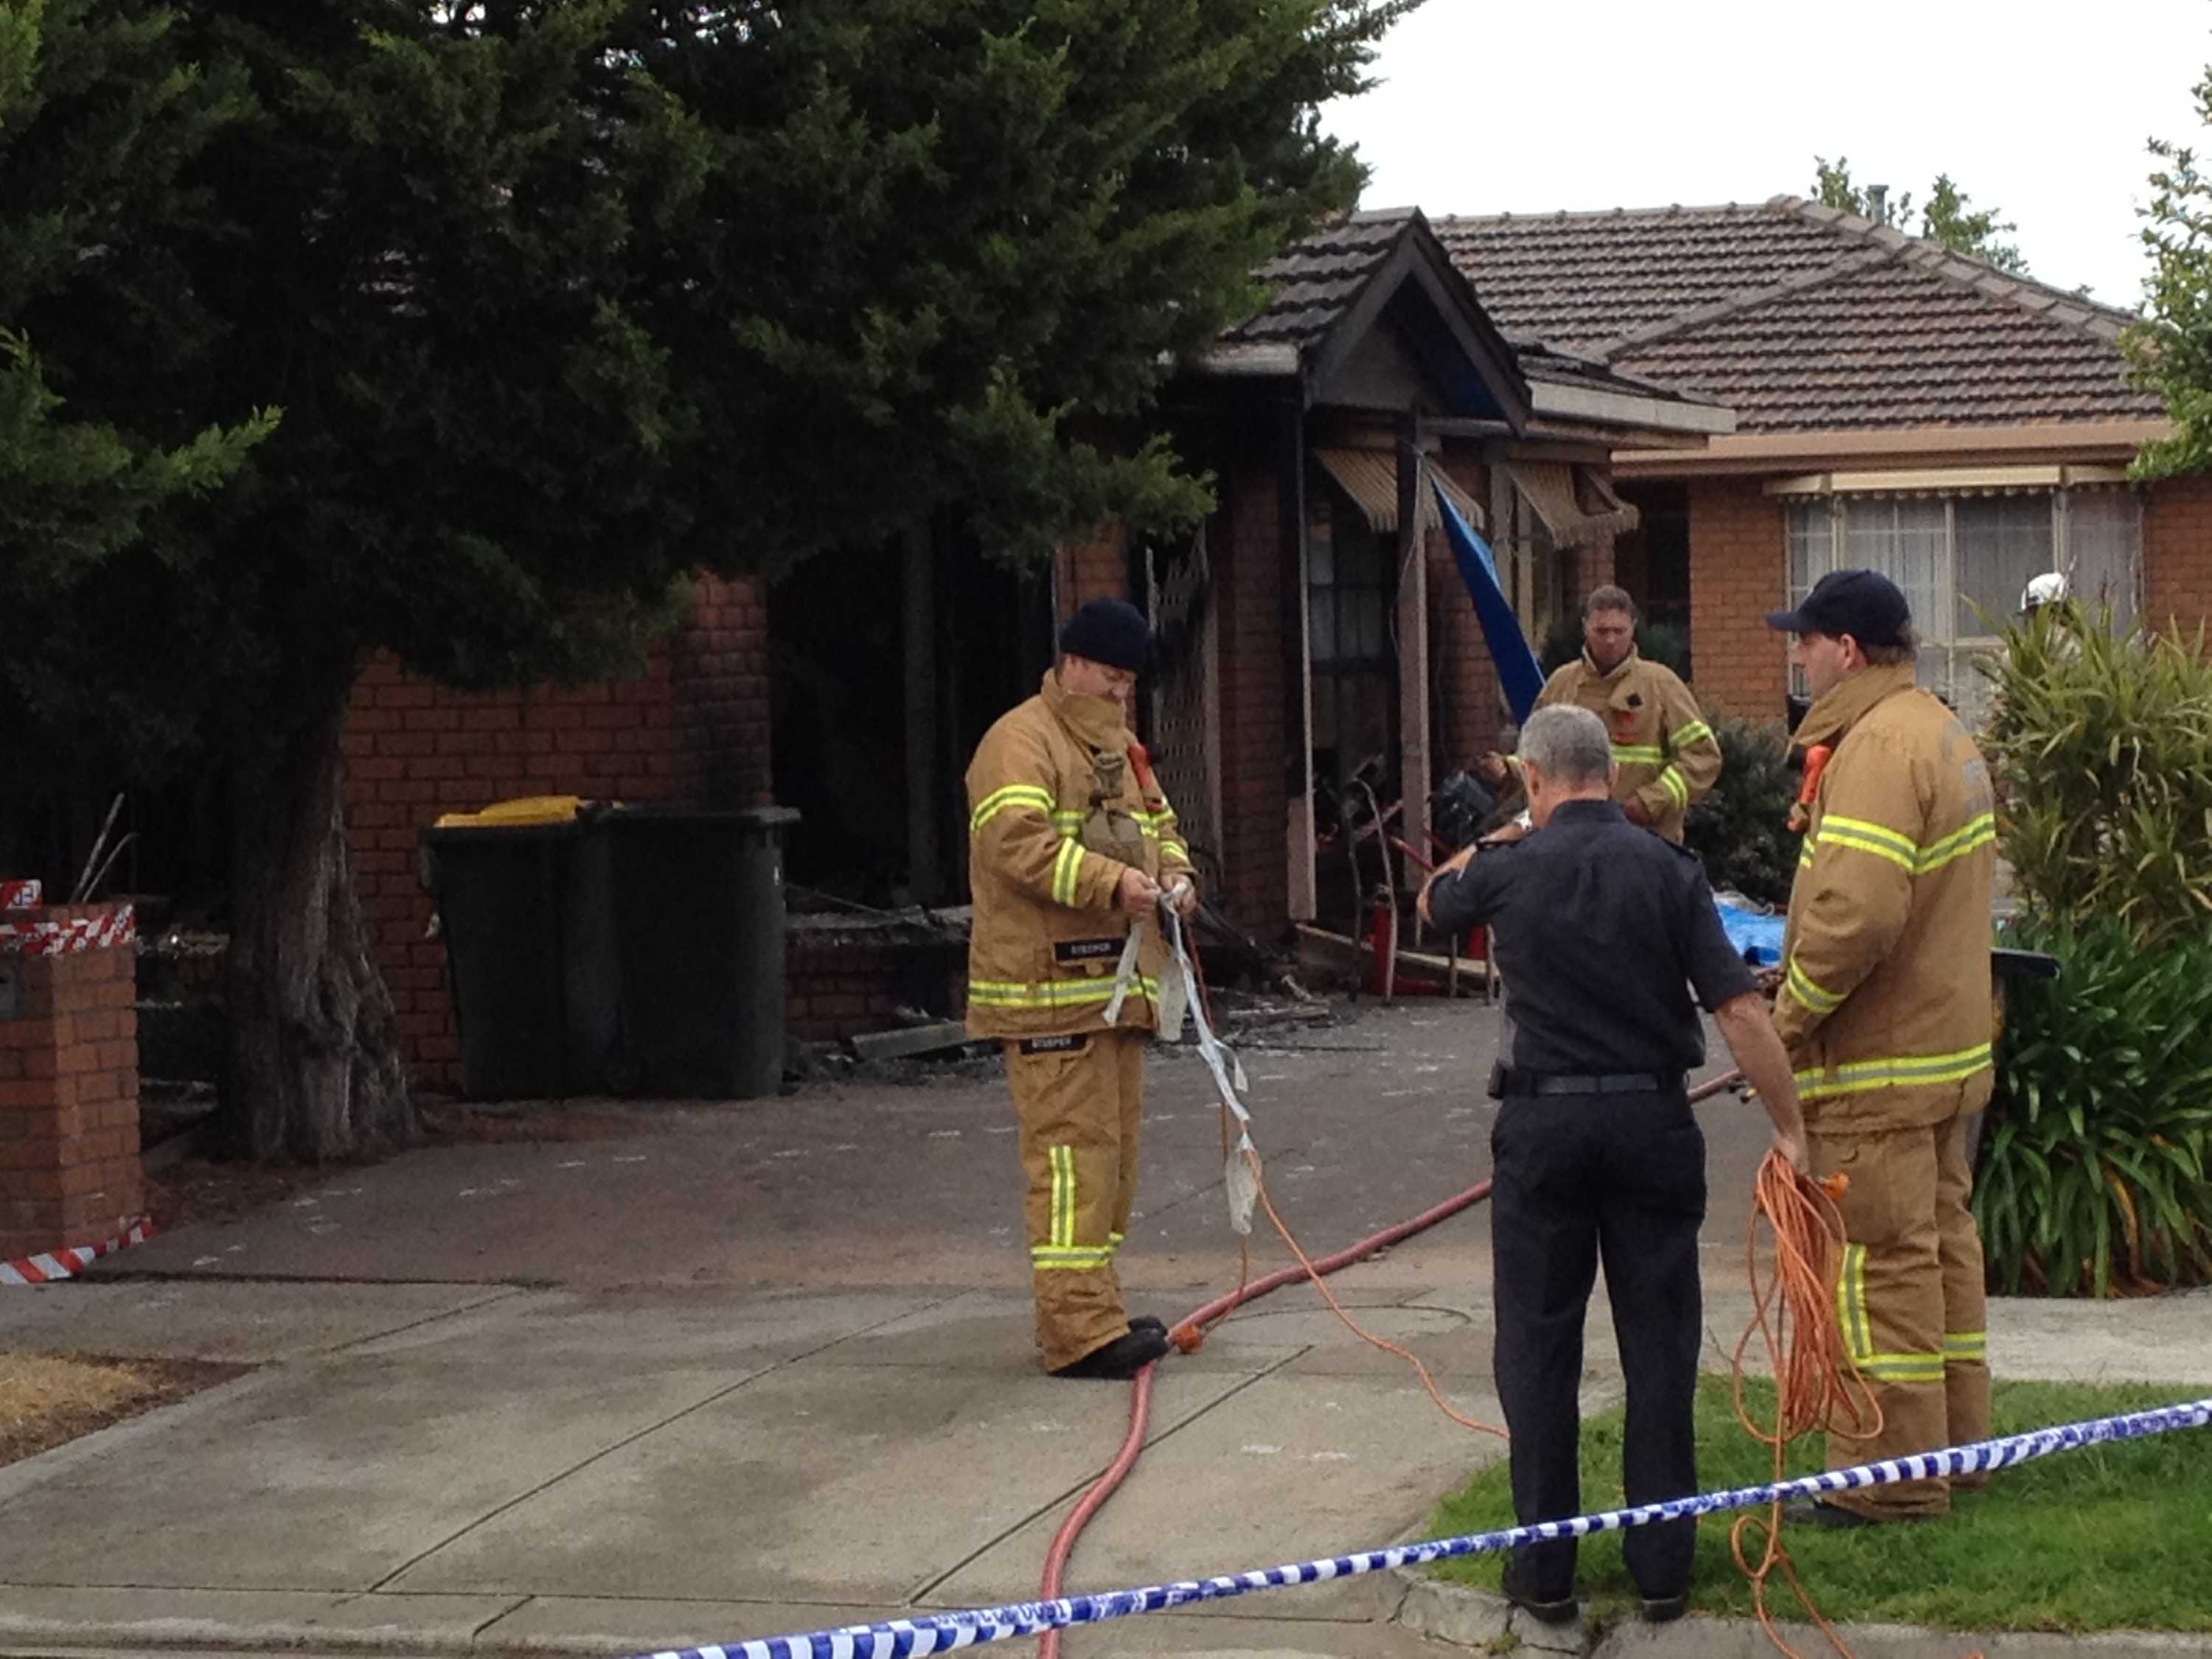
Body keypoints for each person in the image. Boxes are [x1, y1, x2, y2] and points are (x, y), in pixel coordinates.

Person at [1419, 703, 1809, 1626]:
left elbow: (1435, 897)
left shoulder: (1509, 868)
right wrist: (1789, 1128)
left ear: (1535, 775)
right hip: (1651, 1127)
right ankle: (1663, 1567)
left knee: (1539, 1350)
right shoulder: (1671, 871)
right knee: (1661, 1349)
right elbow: (1739, 1012)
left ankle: (1545, 1572)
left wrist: (1508, 827)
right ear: (1612, 774)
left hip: (1544, 1130)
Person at [1763, 568, 1998, 1528]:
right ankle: (1958, 1448)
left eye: (1805, 641)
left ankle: (1888, 1481)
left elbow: (1855, 914)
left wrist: (1785, 1025)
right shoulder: (1937, 726)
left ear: (1847, 650)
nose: (1795, 655)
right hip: (1944, 1058)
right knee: (1940, 1251)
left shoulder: (1874, 748)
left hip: (1880, 1070)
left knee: (1877, 1267)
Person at [964, 598, 1200, 1381]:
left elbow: (1160, 823)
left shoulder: (1121, 747)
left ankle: (1095, 1311)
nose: (1120, 692)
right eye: (1109, 674)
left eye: (1129, 679)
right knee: (1071, 1166)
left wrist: (1177, 876)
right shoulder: (1018, 742)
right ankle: (1075, 1335)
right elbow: (1016, 847)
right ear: (1071, 664)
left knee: (1112, 1163)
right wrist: (1113, 884)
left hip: (1112, 993)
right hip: (1047, 998)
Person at [1478, 587, 1721, 843]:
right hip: (1570, 843)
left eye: (1619, 631)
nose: (1611, 640)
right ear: (1586, 627)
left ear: (1633, 628)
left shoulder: (1661, 685)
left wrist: (1650, 802)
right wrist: (1508, 769)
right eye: (1602, 631)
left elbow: (1703, 757)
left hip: (1644, 843)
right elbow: (1536, 754)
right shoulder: (1562, 684)